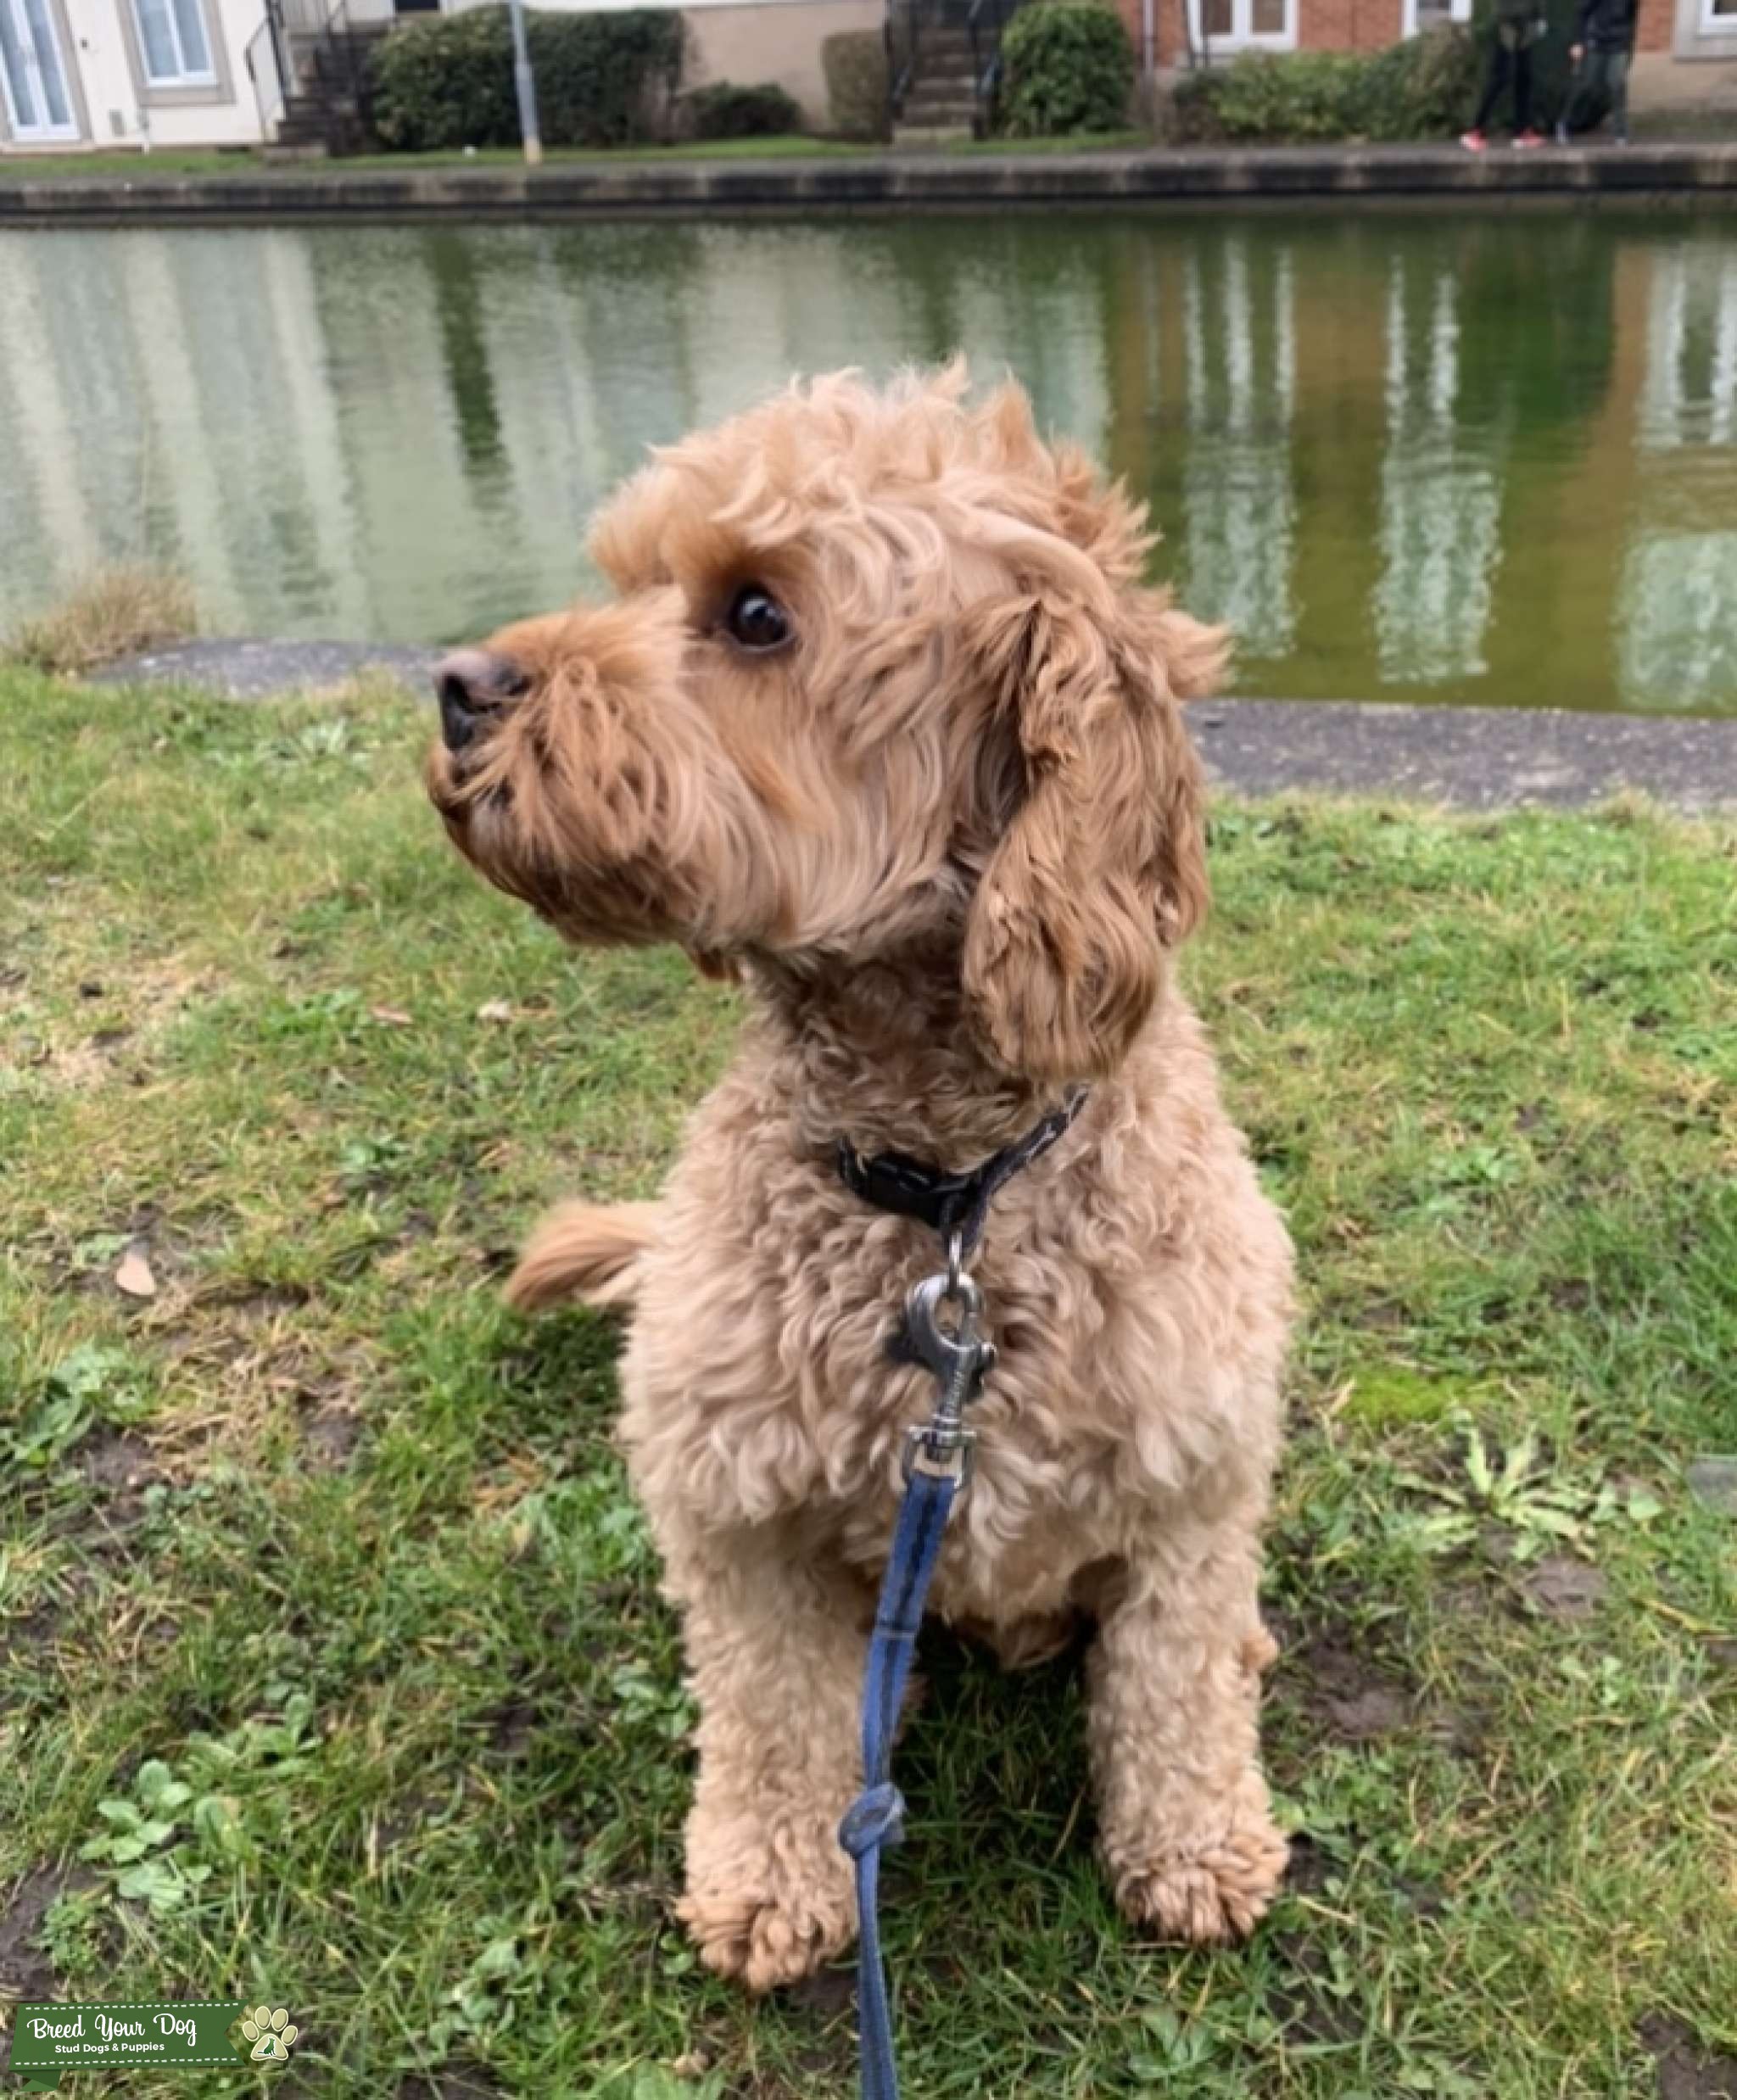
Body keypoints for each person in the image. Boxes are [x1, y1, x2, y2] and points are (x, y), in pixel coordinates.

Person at [1461, 0, 1549, 150]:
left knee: (1524, 78)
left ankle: (1522, 131)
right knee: (1500, 78)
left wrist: (1539, 16)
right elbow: (1502, 8)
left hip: (1525, 26)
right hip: (1506, 27)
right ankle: (1475, 130)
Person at [1556, 0, 1635, 145]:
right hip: (1597, 41)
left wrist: (1628, 41)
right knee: (1586, 85)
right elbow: (1582, 13)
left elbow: (1631, 16)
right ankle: (1564, 123)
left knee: (1616, 84)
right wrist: (1579, 42)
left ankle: (1620, 132)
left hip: (1619, 44)